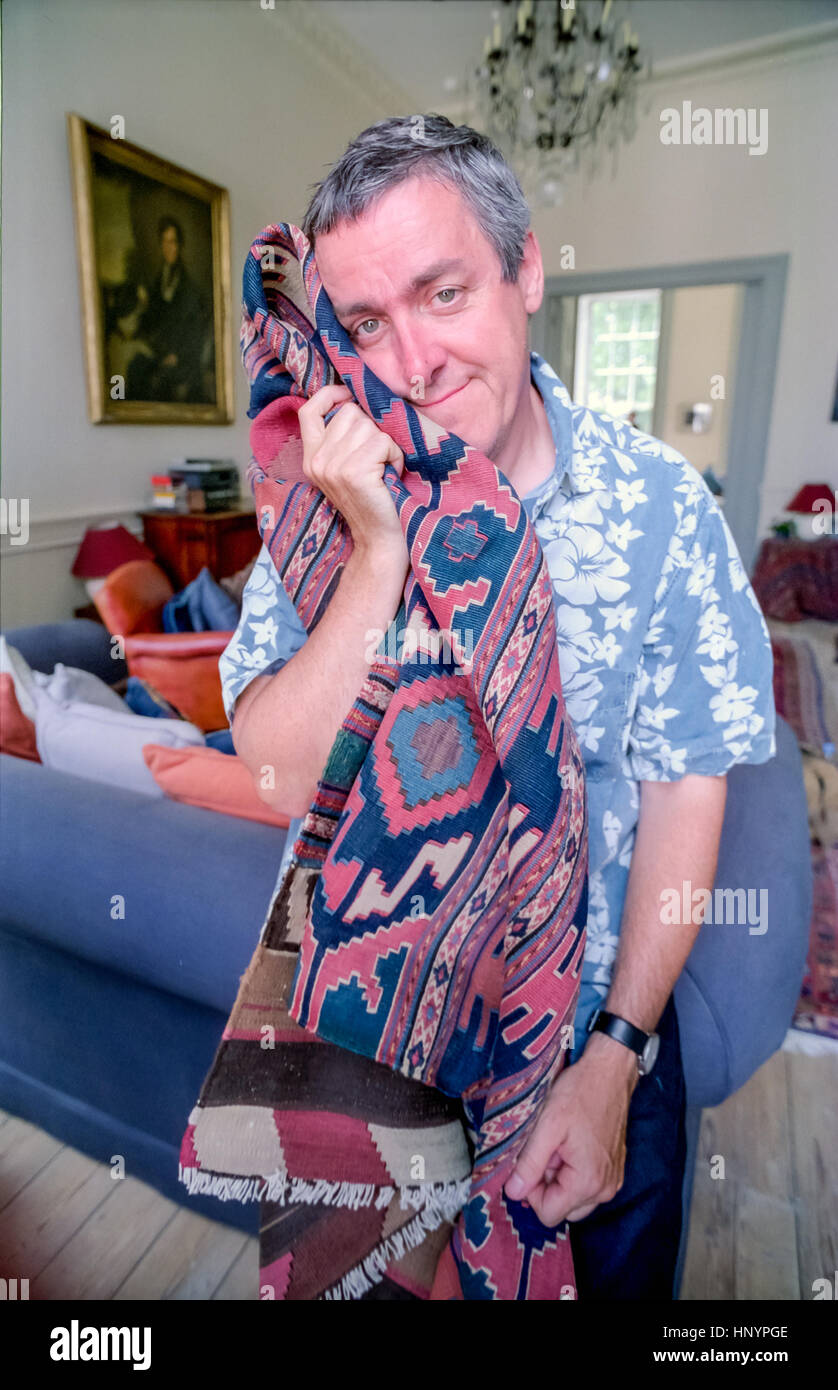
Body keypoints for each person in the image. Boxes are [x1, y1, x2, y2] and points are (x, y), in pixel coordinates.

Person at [220, 115, 776, 1299]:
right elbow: (273, 776)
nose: (410, 361)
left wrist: (618, 1058)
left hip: (589, 1039)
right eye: (365, 323)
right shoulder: (326, 503)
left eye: (443, 292)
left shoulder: (661, 507)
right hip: (366, 1042)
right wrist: (375, 556)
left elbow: (687, 780)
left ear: (526, 270)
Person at [126, 216, 209, 403]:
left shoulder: (190, 289)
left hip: (183, 358)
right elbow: (151, 321)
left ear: (179, 246)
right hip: (159, 353)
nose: (168, 247)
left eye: (172, 242)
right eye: (164, 242)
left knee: (160, 382)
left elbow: (196, 331)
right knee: (135, 368)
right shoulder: (157, 284)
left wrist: (177, 355)